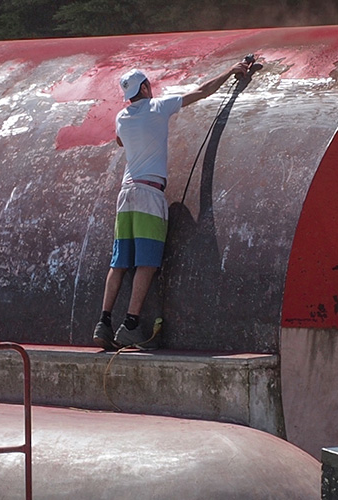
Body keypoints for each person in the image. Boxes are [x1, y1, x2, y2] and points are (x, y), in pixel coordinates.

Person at [93, 60, 250, 351]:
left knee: (119, 263)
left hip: (125, 195)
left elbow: (118, 141)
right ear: (145, 87)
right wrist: (231, 71)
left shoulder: (121, 117)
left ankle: (103, 322)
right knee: (148, 263)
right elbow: (201, 92)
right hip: (149, 193)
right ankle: (130, 324)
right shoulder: (158, 108)